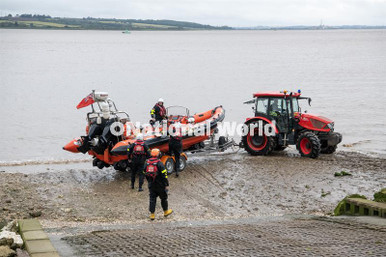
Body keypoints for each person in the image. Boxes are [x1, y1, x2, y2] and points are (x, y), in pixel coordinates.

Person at [144, 148, 173, 220]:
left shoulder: (147, 162)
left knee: (152, 199)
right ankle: (166, 212)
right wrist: (166, 184)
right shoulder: (159, 163)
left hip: (151, 184)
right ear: (158, 155)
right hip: (160, 184)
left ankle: (152, 215)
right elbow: (164, 175)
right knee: (163, 198)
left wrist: (149, 181)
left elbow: (144, 172)